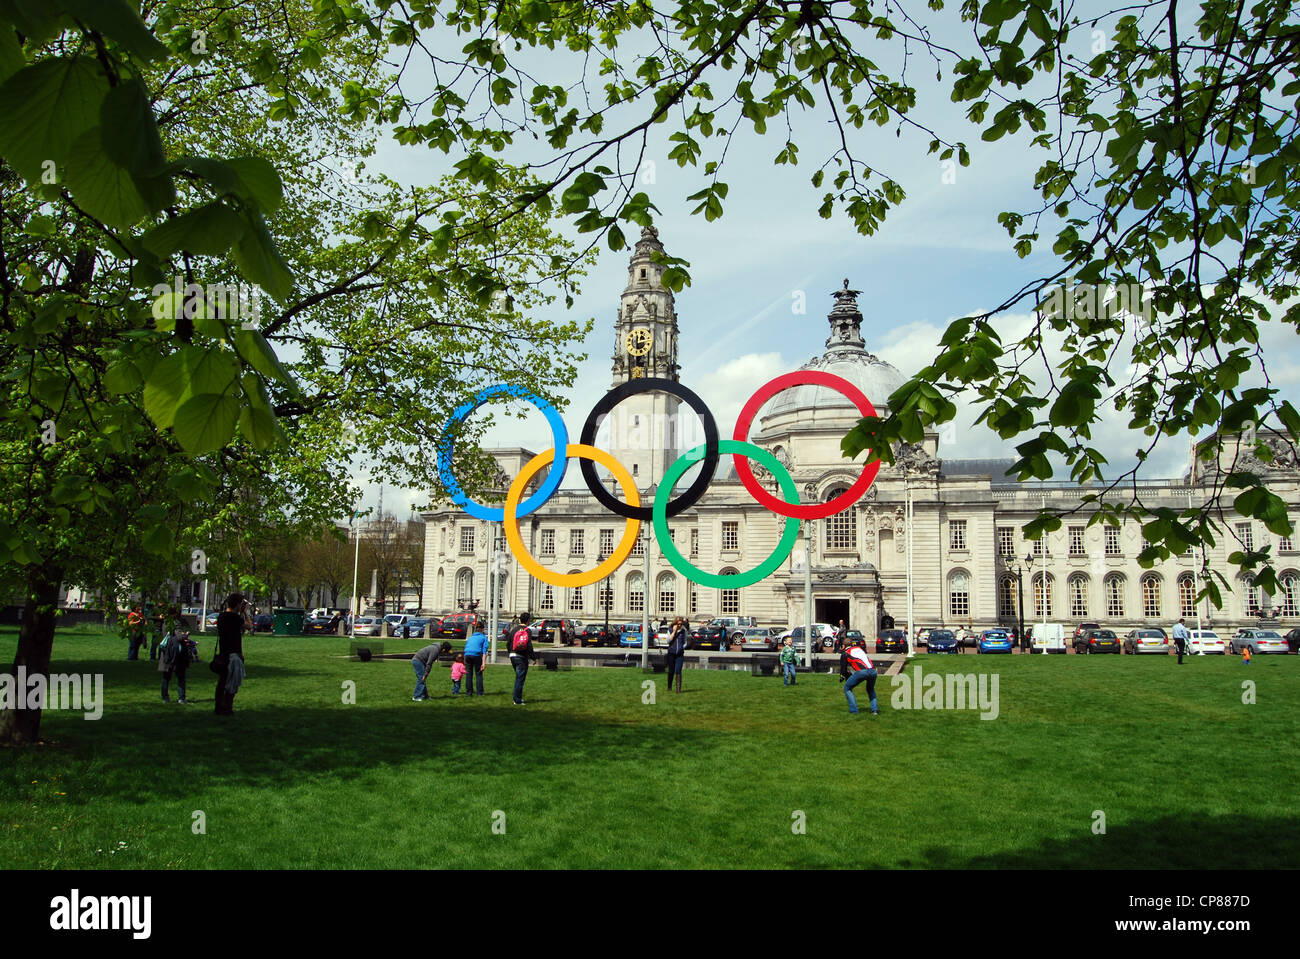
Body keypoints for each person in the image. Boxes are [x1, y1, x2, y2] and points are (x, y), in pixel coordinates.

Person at [214, 593, 250, 716]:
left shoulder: (221, 617)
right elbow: (248, 626)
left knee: (222, 682)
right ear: (238, 604)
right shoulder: (236, 618)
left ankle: (219, 706)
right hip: (234, 654)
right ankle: (228, 707)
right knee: (232, 684)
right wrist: (245, 613)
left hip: (223, 653)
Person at [840, 639, 878, 716]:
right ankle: (874, 710)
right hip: (873, 671)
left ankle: (854, 711)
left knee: (847, 688)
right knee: (870, 689)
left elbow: (843, 670)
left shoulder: (845, 653)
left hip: (862, 672)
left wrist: (843, 677)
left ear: (844, 646)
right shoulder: (859, 648)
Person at [510, 612, 540, 705]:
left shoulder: (514, 629)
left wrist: (510, 653)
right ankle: (517, 699)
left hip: (512, 656)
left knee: (518, 677)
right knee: (520, 679)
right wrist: (533, 658)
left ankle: (517, 698)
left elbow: (509, 643)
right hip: (521, 656)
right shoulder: (527, 630)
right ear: (528, 620)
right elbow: (529, 645)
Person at [158, 623, 192, 704]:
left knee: (166, 678)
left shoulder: (165, 623)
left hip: (166, 654)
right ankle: (181, 698)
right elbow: (179, 637)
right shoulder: (175, 623)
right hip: (175, 656)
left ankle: (165, 698)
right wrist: (186, 634)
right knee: (181, 677)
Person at [463, 625, 488, 696]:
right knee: (478, 673)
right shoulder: (483, 637)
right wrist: (483, 663)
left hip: (467, 654)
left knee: (469, 674)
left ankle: (469, 692)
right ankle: (480, 692)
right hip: (476, 655)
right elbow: (484, 651)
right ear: (482, 630)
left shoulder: (471, 637)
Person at [665, 617, 688, 693]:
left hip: (679, 654)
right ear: (675, 624)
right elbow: (668, 641)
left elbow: (685, 642)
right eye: (678, 624)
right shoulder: (670, 630)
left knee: (678, 670)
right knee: (671, 671)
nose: (679, 626)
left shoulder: (684, 631)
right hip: (671, 653)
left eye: (681, 624)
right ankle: (669, 687)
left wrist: (682, 647)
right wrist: (674, 632)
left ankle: (678, 690)